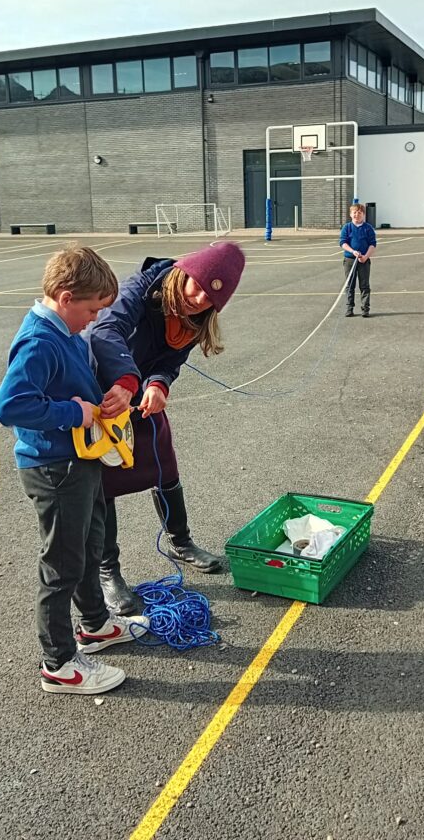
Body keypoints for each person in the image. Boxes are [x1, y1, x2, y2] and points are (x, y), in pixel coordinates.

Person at [0, 243, 149, 696]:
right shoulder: (40, 340)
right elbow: (11, 405)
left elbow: (79, 375)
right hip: (53, 467)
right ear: (65, 296)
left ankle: (96, 625)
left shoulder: (64, 330)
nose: (95, 319)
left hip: (80, 461)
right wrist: (72, 413)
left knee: (88, 546)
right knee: (61, 564)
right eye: (91, 309)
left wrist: (110, 393)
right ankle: (58, 664)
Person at [86, 241, 246, 616]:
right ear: (186, 272)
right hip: (104, 391)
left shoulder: (195, 317)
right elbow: (103, 331)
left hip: (138, 392)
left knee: (164, 465)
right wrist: (127, 381)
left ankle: (180, 541)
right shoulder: (139, 290)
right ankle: (108, 572)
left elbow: (172, 359)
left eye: (211, 299)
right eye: (198, 287)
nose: (199, 299)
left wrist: (158, 383)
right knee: (104, 480)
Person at [340, 202, 377, 317]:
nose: (357, 214)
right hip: (350, 260)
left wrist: (365, 257)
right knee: (350, 284)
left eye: (359, 212)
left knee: (364, 285)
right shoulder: (347, 227)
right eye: (354, 212)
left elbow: (372, 244)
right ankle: (349, 308)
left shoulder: (368, 228)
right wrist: (352, 251)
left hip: (363, 260)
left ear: (363, 215)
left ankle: (365, 309)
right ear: (351, 214)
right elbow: (343, 242)